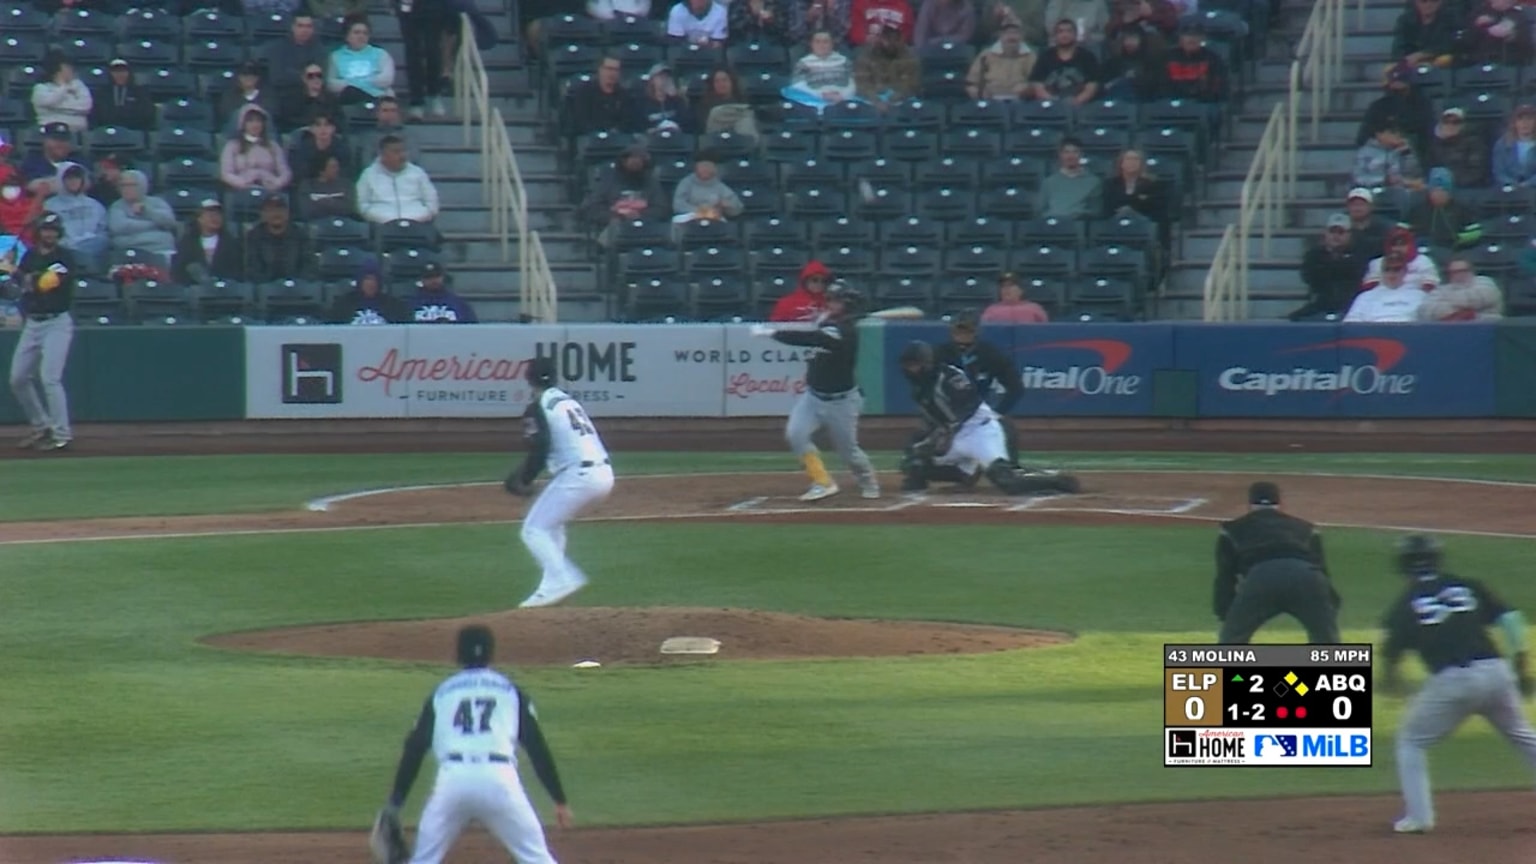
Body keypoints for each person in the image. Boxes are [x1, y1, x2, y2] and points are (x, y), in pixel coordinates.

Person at [1379, 534, 1536, 834]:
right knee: (1522, 735)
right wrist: (1522, 662)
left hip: (1454, 682)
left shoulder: (1406, 603)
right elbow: (1511, 619)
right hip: (1496, 673)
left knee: (1411, 741)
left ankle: (1419, 818)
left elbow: (1391, 653)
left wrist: (1391, 682)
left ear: (1404, 565)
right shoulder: (1468, 585)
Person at [382, 624, 573, 863]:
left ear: (458, 653)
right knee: (537, 859)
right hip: (500, 781)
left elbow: (414, 749)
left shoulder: (441, 694)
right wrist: (559, 799)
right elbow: (536, 747)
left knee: (422, 860)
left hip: (452, 782)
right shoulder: (511, 691)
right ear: (491, 652)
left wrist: (396, 801)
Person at [749, 283, 880, 501]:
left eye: (835, 301)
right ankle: (822, 482)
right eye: (829, 300)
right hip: (813, 396)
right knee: (796, 434)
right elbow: (816, 330)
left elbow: (811, 338)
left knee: (848, 451)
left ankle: (867, 479)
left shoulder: (846, 333)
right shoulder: (828, 323)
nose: (829, 304)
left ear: (847, 306)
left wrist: (772, 333)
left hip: (842, 402)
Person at [895, 340, 1079, 495]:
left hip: (979, 431)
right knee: (913, 461)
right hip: (954, 436)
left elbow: (969, 406)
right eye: (907, 365)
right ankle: (964, 473)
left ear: (926, 363)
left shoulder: (949, 375)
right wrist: (926, 442)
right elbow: (932, 422)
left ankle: (1057, 481)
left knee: (1008, 483)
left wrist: (945, 433)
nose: (910, 370)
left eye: (914, 365)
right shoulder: (919, 392)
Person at [504, 356, 616, 609]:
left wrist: (522, 478)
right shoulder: (568, 402)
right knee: (552, 525)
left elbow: (540, 447)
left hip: (579, 476)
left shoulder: (538, 406)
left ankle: (563, 578)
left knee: (533, 529)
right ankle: (549, 587)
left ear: (528, 379)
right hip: (603, 474)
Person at [1213, 481, 1340, 645]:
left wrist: (1226, 614)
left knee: (1231, 642)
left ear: (1249, 504)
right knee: (1327, 643)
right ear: (1280, 504)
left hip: (1262, 577)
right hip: (1308, 578)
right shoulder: (1306, 528)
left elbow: (1226, 577)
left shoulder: (1231, 529)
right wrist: (1329, 605)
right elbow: (1321, 569)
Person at [5, 213, 75, 452]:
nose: (49, 234)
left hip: (57, 323)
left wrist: (13, 270)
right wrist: (7, 274)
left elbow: (43, 284)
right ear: (39, 232)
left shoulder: (64, 257)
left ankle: (61, 434)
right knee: (18, 378)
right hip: (33, 323)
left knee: (50, 378)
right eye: (46, 229)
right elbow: (15, 290)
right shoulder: (31, 256)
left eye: (53, 230)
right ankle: (41, 425)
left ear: (59, 232)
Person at [934, 309, 1027, 467]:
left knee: (1006, 428)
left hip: (978, 413)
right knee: (924, 436)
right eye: (958, 330)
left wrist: (997, 413)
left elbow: (1016, 387)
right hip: (948, 412)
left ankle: (1011, 469)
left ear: (976, 331)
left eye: (967, 330)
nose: (962, 335)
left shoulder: (989, 354)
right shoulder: (940, 354)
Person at [582, 143, 667, 248]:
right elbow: (593, 207)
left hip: (646, 224)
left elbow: (661, 208)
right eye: (632, 158)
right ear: (623, 161)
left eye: (639, 159)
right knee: (612, 230)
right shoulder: (608, 183)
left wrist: (640, 216)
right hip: (616, 224)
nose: (635, 162)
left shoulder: (652, 183)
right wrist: (617, 216)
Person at [1291, 213, 1366, 321]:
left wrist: (1331, 265)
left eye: (1341, 232)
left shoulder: (1359, 254)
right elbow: (1309, 277)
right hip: (1320, 306)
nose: (1336, 236)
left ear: (1349, 235)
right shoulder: (1313, 255)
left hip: (1350, 308)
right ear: (1326, 233)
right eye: (1332, 231)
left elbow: (1355, 273)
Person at [1357, 61, 1435, 159]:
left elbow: (1428, 133)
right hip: (1382, 155)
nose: (1397, 93)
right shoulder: (1378, 106)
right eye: (1394, 89)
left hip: (1415, 153)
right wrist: (1380, 137)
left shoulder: (1423, 105)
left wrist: (1404, 140)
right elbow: (1362, 137)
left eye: (1402, 89)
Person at [42, 162, 109, 274]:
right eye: (69, 178)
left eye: (77, 177)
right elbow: (49, 233)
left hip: (94, 250)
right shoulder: (50, 206)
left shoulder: (95, 205)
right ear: (61, 180)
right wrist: (70, 245)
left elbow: (104, 231)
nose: (74, 181)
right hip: (65, 253)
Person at [357, 136, 441, 225]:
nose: (402, 155)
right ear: (383, 154)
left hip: (417, 223)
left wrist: (424, 216)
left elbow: (431, 201)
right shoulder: (368, 174)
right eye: (396, 152)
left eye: (404, 151)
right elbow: (362, 203)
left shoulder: (418, 172)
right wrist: (379, 218)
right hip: (381, 225)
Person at [1398, 167, 1482, 253]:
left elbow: (1475, 232)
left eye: (1443, 190)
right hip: (1421, 253)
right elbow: (1400, 231)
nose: (1439, 193)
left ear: (1450, 192)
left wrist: (1457, 238)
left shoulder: (1462, 209)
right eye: (1435, 190)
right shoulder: (1417, 208)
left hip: (1453, 252)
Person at [106, 169, 178, 266]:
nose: (127, 189)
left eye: (132, 185)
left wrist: (147, 211)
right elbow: (119, 227)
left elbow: (169, 222)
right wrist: (155, 224)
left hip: (160, 249)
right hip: (129, 251)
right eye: (123, 185)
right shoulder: (117, 206)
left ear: (143, 186)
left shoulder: (157, 202)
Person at [394, 0, 450, 120]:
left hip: (434, 7)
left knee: (433, 50)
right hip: (408, 6)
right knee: (412, 52)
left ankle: (434, 94)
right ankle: (416, 100)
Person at [560, 57, 640, 139]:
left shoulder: (625, 95)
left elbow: (626, 121)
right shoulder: (583, 92)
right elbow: (581, 120)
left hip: (617, 140)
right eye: (609, 69)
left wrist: (615, 133)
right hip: (588, 139)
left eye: (616, 70)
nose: (612, 73)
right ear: (600, 70)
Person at [220, 105, 294, 193]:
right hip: (241, 191)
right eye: (250, 121)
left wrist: (276, 183)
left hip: (269, 191)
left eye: (258, 121)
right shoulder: (232, 146)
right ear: (242, 124)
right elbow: (226, 173)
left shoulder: (273, 146)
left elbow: (285, 173)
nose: (255, 125)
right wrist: (243, 183)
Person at [261, 12, 331, 102]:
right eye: (300, 26)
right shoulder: (277, 49)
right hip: (283, 96)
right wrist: (306, 77)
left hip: (313, 97)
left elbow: (321, 77)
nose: (305, 30)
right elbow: (277, 77)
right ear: (292, 27)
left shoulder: (320, 50)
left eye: (309, 26)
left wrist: (294, 74)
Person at [327, 14, 397, 105]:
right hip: (348, 97)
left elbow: (387, 80)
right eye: (356, 32)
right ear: (347, 36)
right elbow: (330, 83)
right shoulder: (335, 56)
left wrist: (352, 82)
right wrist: (368, 82)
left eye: (365, 33)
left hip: (377, 98)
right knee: (350, 92)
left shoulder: (381, 54)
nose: (361, 36)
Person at [1027, 19, 1101, 104]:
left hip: (1081, 109)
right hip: (1050, 108)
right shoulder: (1045, 57)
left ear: (1075, 35)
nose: (1065, 35)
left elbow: (1093, 86)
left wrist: (1076, 102)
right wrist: (1053, 102)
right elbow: (1037, 84)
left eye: (1069, 31)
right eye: (1060, 32)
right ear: (1055, 36)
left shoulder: (1087, 57)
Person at [173, 200, 246, 285]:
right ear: (199, 219)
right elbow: (179, 271)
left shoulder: (232, 243)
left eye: (218, 214)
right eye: (210, 215)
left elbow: (238, 271)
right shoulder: (186, 243)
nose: (215, 218)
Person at [244, 194, 313, 283]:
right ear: (263, 214)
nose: (276, 214)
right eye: (271, 210)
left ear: (287, 213)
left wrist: (297, 284)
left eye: (280, 209)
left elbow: (309, 265)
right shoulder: (254, 236)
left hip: (297, 289)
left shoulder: (300, 234)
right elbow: (253, 268)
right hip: (265, 290)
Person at [784, 30, 860, 109]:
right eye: (817, 42)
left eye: (825, 42)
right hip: (813, 102)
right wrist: (821, 95)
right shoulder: (803, 63)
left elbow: (854, 82)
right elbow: (797, 86)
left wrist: (843, 96)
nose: (821, 45)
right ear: (811, 44)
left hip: (843, 100)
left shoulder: (844, 61)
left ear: (832, 44)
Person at [965, 22, 1036, 101]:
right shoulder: (986, 55)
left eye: (1016, 33)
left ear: (1022, 36)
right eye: (1007, 33)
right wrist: (978, 93)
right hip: (991, 99)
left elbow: (1037, 83)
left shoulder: (1030, 56)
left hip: (1020, 100)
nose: (1012, 37)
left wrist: (1027, 89)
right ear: (1000, 36)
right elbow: (972, 82)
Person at [1345, 254, 1427, 322]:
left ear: (1405, 271)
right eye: (1387, 269)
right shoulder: (1365, 297)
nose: (1391, 273)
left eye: (1396, 269)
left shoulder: (1420, 296)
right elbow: (1351, 324)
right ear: (1381, 272)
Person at [1038, 136, 1102, 220]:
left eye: (1075, 152)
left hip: (1078, 224)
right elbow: (1040, 210)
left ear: (1081, 155)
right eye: (1066, 152)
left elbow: (1096, 210)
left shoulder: (1094, 182)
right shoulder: (1048, 182)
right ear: (1060, 155)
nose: (1070, 156)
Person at [1418, 258, 1504, 321]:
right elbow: (1426, 310)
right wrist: (1461, 312)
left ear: (1471, 271)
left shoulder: (1485, 281)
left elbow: (1478, 298)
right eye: (1454, 272)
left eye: (1462, 270)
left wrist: (1446, 302)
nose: (1458, 275)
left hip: (1488, 328)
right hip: (1452, 330)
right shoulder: (1442, 289)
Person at [326, 261, 411, 323]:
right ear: (360, 281)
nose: (371, 283)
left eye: (375, 279)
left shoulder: (394, 305)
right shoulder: (343, 305)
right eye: (367, 279)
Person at [1427, 106, 1489, 189]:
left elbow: (1476, 173)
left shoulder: (1474, 143)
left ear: (1463, 124)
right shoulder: (1434, 144)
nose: (1450, 125)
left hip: (1466, 189)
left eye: (1456, 122)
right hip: (1439, 190)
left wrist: (1450, 182)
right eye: (1446, 122)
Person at [288, 111, 355, 186]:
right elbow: (298, 175)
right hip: (309, 187)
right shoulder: (301, 148)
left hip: (335, 186)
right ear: (311, 129)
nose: (323, 129)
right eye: (318, 125)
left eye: (327, 125)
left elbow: (346, 174)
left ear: (334, 128)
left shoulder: (342, 148)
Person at [31, 53, 92, 134]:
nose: (72, 70)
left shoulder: (78, 85)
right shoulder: (41, 88)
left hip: (79, 133)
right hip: (50, 133)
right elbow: (50, 101)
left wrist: (57, 107)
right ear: (58, 69)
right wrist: (64, 87)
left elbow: (86, 106)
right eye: (67, 67)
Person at [89, 59, 155, 132]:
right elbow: (96, 115)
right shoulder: (101, 93)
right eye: (116, 72)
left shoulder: (140, 92)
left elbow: (146, 114)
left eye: (123, 71)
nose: (120, 75)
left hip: (134, 131)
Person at [671, 155, 744, 222]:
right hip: (690, 216)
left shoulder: (720, 187)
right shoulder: (686, 183)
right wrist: (701, 212)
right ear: (696, 167)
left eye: (708, 166)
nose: (705, 169)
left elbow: (738, 208)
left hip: (713, 218)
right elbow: (678, 205)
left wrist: (728, 205)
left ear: (715, 169)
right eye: (702, 166)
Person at [277, 63, 341, 134]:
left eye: (319, 75)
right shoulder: (292, 98)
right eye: (311, 76)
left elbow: (339, 121)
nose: (316, 79)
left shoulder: (331, 99)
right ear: (304, 79)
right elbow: (286, 121)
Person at [1391, 0, 1460, 67]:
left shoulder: (1451, 19)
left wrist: (1422, 55)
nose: (1429, 5)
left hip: (1439, 64)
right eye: (1424, 1)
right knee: (1389, 70)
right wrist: (1407, 60)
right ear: (1415, 2)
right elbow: (1398, 48)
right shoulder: (1405, 20)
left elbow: (1450, 45)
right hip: (1411, 64)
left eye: (1434, 1)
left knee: (1445, 59)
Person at [218, 61, 279, 136]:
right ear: (239, 77)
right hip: (237, 132)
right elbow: (226, 114)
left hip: (263, 133)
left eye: (253, 75)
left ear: (258, 77)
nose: (249, 78)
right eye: (245, 75)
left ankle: (268, 146)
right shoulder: (229, 95)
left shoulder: (268, 95)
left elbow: (272, 113)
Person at [631, 64, 694, 135]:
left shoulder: (677, 101)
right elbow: (637, 127)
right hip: (651, 141)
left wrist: (678, 97)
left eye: (666, 77)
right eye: (660, 77)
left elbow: (689, 124)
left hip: (675, 140)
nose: (664, 80)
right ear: (652, 80)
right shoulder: (642, 103)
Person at [409, 262, 478, 323]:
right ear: (422, 280)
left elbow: (471, 328)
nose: (433, 280)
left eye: (436, 276)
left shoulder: (458, 303)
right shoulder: (411, 304)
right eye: (428, 277)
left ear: (443, 277)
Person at [1491, 104, 1536, 189]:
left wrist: (1528, 184)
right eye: (1520, 119)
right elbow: (1498, 172)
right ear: (1514, 123)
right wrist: (1513, 185)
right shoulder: (1502, 144)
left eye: (1529, 119)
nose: (1525, 123)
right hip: (1509, 192)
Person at [300, 154, 357, 220]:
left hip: (343, 223)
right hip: (317, 223)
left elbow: (349, 208)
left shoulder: (346, 184)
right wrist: (336, 203)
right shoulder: (308, 185)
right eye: (333, 167)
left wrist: (323, 202)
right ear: (321, 171)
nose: (337, 169)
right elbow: (307, 211)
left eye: (337, 166)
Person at [981, 270, 1050, 323]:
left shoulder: (1034, 309)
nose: (1006, 289)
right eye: (1003, 286)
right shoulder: (991, 311)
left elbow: (1044, 332)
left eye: (1011, 286)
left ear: (1021, 290)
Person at [848, 0, 915, 45]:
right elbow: (856, 35)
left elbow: (906, 35)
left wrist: (891, 43)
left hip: (895, 49)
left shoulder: (904, 6)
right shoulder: (860, 2)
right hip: (867, 48)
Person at [1044, 0, 1108, 46]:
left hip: (1089, 45)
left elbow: (1105, 30)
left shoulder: (1099, 2)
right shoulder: (1058, 2)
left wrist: (1091, 37)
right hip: (1060, 45)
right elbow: (1050, 28)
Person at [788, 0, 852, 43]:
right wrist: (808, 18)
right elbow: (796, 32)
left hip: (835, 42)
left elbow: (842, 30)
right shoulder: (799, 2)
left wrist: (831, 12)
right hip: (806, 42)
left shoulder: (841, 1)